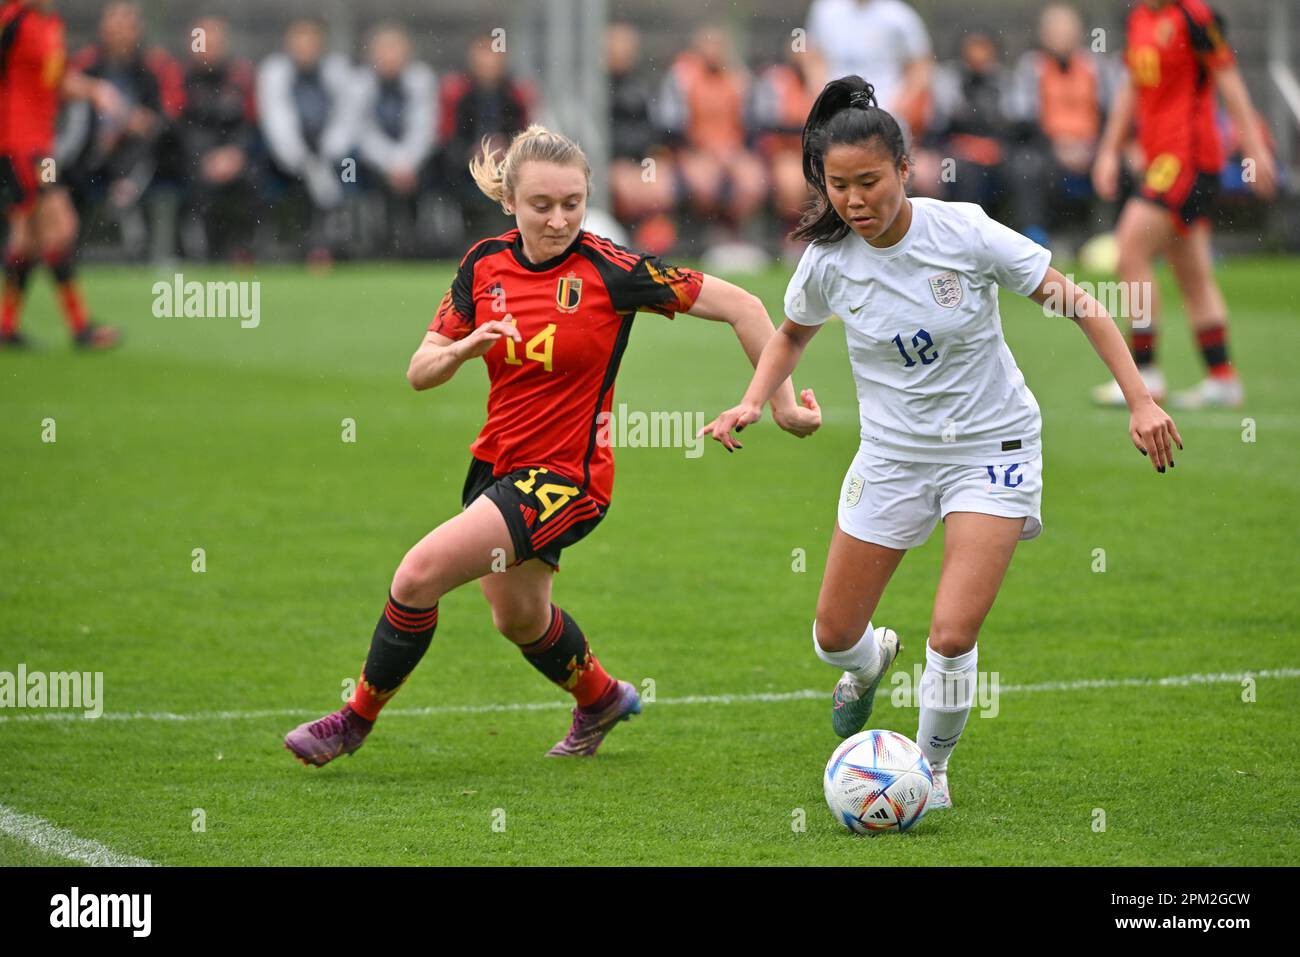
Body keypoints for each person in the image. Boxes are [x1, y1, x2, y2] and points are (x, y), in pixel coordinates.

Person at [700, 77, 1182, 810]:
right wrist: (754, 401)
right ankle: (867, 665)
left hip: (992, 445)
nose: (855, 201)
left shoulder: (963, 231)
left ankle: (929, 770)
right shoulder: (829, 258)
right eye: (838, 186)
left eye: (869, 182)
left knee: (953, 634)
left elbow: (1080, 302)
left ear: (905, 167)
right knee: (833, 635)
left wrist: (1141, 398)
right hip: (893, 456)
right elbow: (793, 331)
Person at [284, 125, 821, 766]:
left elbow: (744, 305)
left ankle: (352, 721)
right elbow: (419, 371)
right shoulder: (484, 264)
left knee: (417, 575)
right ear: (510, 201)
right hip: (496, 466)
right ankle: (601, 699)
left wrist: (778, 404)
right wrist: (463, 347)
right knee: (517, 617)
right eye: (543, 204)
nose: (561, 218)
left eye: (573, 202)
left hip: (568, 477)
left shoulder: (612, 270)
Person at [1090, 0, 1276, 409]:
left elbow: (1228, 78)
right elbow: (1131, 87)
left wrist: (1255, 147)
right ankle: (1222, 378)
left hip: (1189, 160)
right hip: (1161, 160)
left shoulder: (1195, 16)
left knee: (1130, 249)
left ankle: (1147, 373)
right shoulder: (1139, 18)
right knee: (1191, 272)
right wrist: (1109, 149)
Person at [0, 0, 121, 349]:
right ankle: (81, 328)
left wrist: (95, 90)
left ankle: (8, 328)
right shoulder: (13, 20)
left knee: (30, 239)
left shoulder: (51, 25)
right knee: (60, 225)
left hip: (43, 145)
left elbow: (57, 81)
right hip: (18, 146)